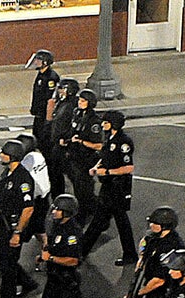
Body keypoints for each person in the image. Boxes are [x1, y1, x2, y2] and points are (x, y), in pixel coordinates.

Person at [14, 194, 87, 298]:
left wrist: (52, 258)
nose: (54, 211)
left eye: (58, 209)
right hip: (55, 275)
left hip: (67, 280)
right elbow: (52, 243)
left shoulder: (73, 233)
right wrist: (44, 255)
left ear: (67, 212)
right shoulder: (58, 225)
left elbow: (73, 260)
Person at [80, 110, 137, 266]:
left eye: (106, 122)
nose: (102, 124)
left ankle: (81, 252)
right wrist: (96, 167)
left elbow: (128, 167)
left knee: (110, 221)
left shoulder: (123, 143)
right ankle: (130, 254)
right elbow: (105, 157)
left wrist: (107, 171)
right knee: (110, 221)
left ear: (114, 124)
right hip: (108, 186)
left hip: (118, 187)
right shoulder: (109, 138)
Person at [0, 140, 38, 298]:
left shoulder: (23, 179)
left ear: (12, 156)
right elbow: (2, 198)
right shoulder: (7, 173)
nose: (1, 155)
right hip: (2, 223)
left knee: (8, 267)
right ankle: (27, 282)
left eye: (4, 153)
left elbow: (28, 208)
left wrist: (17, 233)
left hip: (13, 227)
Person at [15, 133, 51, 270]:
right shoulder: (38, 156)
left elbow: (26, 184)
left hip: (35, 200)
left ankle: (12, 261)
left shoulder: (26, 163)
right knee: (40, 229)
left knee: (22, 231)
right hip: (44, 197)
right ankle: (46, 255)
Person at [64, 87, 103, 212]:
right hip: (74, 156)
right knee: (77, 185)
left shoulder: (94, 122)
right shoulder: (77, 113)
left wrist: (81, 141)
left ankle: (88, 210)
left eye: (83, 101)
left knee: (84, 188)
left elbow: (99, 145)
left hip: (86, 158)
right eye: (79, 100)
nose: (79, 102)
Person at [46, 77, 79, 199]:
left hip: (66, 147)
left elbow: (73, 125)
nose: (59, 92)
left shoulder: (72, 106)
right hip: (57, 144)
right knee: (55, 172)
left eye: (62, 89)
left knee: (72, 174)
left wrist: (65, 138)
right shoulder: (62, 103)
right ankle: (58, 197)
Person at [26, 49, 58, 155]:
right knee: (36, 138)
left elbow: (50, 99)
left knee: (44, 140)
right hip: (38, 113)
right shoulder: (40, 74)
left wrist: (48, 118)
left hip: (44, 115)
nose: (36, 62)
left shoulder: (51, 77)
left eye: (39, 60)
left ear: (45, 62)